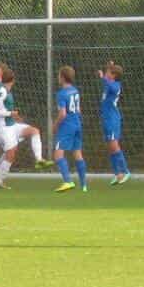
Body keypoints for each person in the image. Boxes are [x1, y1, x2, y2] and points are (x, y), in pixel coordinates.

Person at [0, 68, 48, 188]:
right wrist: (10, 114)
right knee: (11, 153)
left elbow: (6, 110)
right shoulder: (2, 91)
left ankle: (39, 160)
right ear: (13, 80)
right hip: (3, 128)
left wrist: (15, 118)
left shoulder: (8, 91)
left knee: (34, 131)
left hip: (12, 126)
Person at [52, 65, 87, 193]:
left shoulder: (61, 94)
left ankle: (68, 181)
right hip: (77, 124)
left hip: (67, 126)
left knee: (58, 154)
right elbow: (79, 110)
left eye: (59, 75)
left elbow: (62, 114)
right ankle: (84, 185)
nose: (58, 78)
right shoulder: (75, 91)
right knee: (77, 153)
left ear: (62, 77)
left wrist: (55, 125)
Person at [97, 61, 128, 184]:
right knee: (110, 147)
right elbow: (108, 78)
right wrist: (109, 67)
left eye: (108, 72)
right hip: (106, 118)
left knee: (114, 145)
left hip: (112, 119)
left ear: (114, 75)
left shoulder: (115, 85)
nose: (106, 74)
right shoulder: (109, 83)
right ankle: (117, 174)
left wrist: (103, 76)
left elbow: (108, 82)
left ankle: (125, 171)